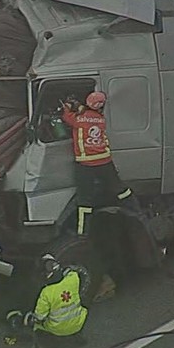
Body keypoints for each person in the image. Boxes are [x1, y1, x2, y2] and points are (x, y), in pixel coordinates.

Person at [60, 90, 137, 288]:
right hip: (104, 160)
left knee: (85, 200)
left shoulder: (78, 119)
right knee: (120, 189)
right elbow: (87, 116)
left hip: (85, 164)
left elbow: (67, 118)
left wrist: (68, 108)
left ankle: (82, 232)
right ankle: (136, 210)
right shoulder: (100, 119)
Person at [29, 254, 89, 348]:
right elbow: (77, 271)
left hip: (56, 329)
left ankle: (50, 346)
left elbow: (39, 317)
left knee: (37, 326)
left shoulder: (46, 292)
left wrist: (30, 320)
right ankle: (77, 336)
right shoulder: (73, 278)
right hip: (78, 323)